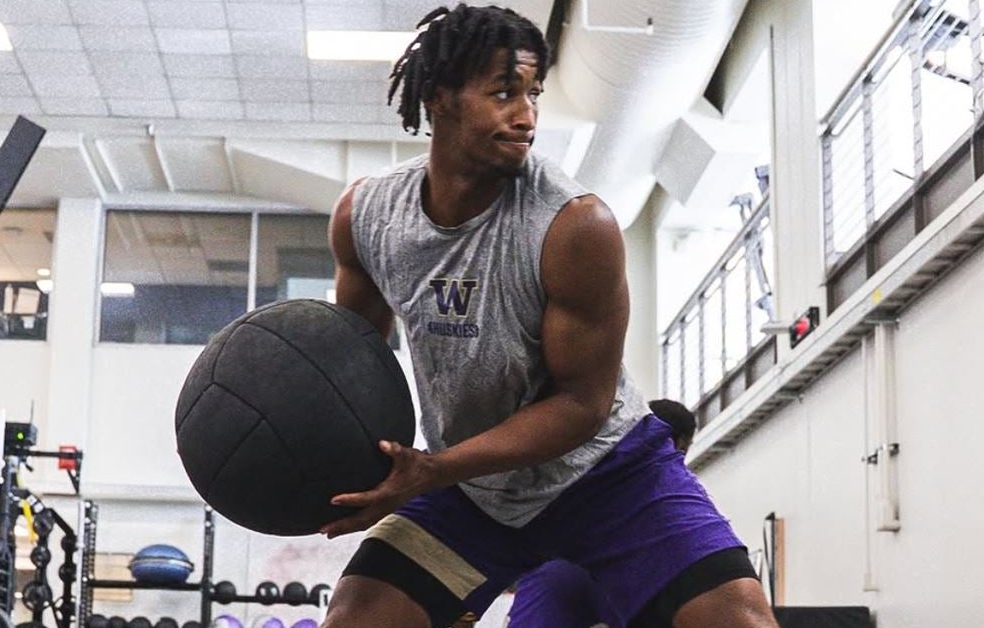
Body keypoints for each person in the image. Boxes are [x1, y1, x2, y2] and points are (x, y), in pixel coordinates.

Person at [320, 5, 781, 628]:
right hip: (472, 490)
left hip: (609, 475)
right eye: (504, 93)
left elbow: (580, 407)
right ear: (439, 98)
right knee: (359, 618)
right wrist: (356, 472)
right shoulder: (369, 218)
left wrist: (431, 470)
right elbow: (349, 371)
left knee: (741, 623)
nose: (527, 117)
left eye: (533, 94)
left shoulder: (573, 226)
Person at [506, 399, 700, 628]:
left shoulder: (581, 467)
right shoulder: (668, 498)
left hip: (542, 588)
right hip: (580, 583)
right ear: (676, 445)